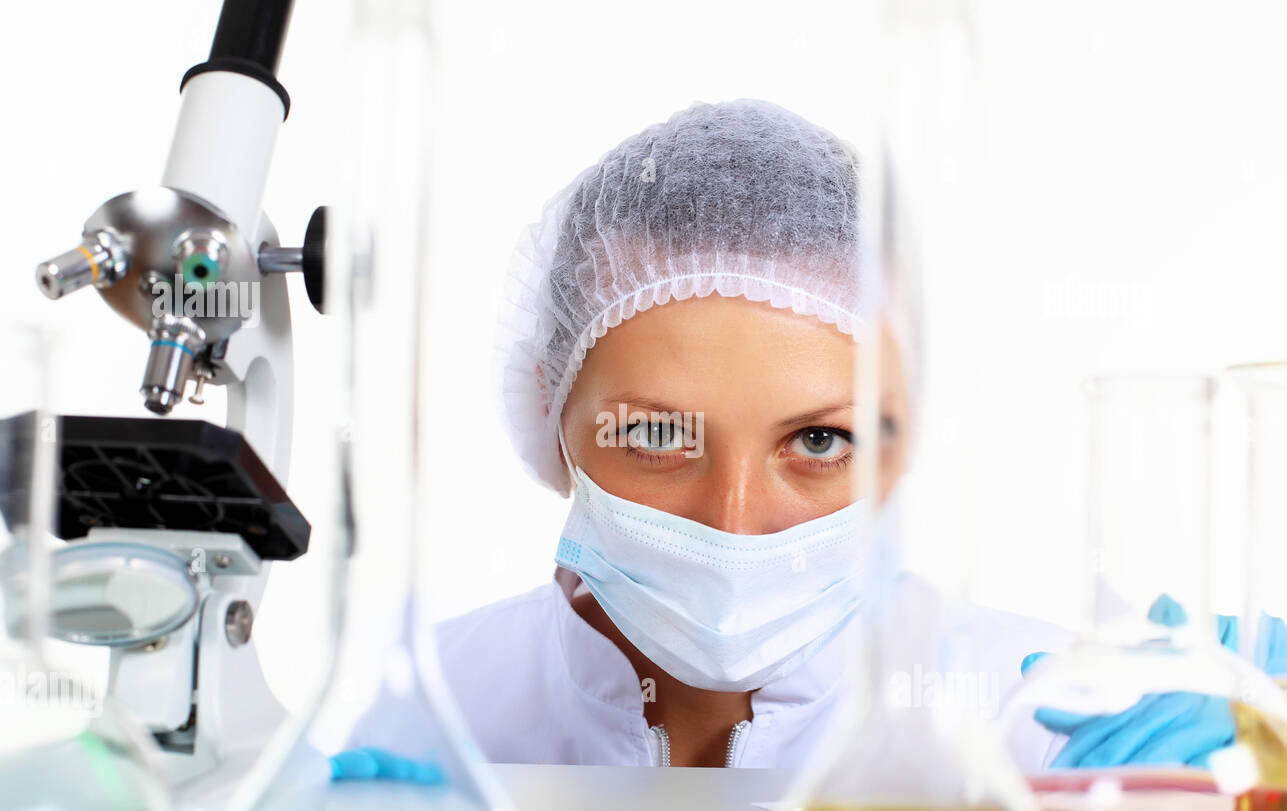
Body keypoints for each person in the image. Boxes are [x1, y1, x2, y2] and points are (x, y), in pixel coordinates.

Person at [338, 99, 1078, 775]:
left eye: (819, 441)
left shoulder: (1037, 725)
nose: (732, 524)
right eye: (658, 433)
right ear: (548, 410)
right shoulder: (432, 711)